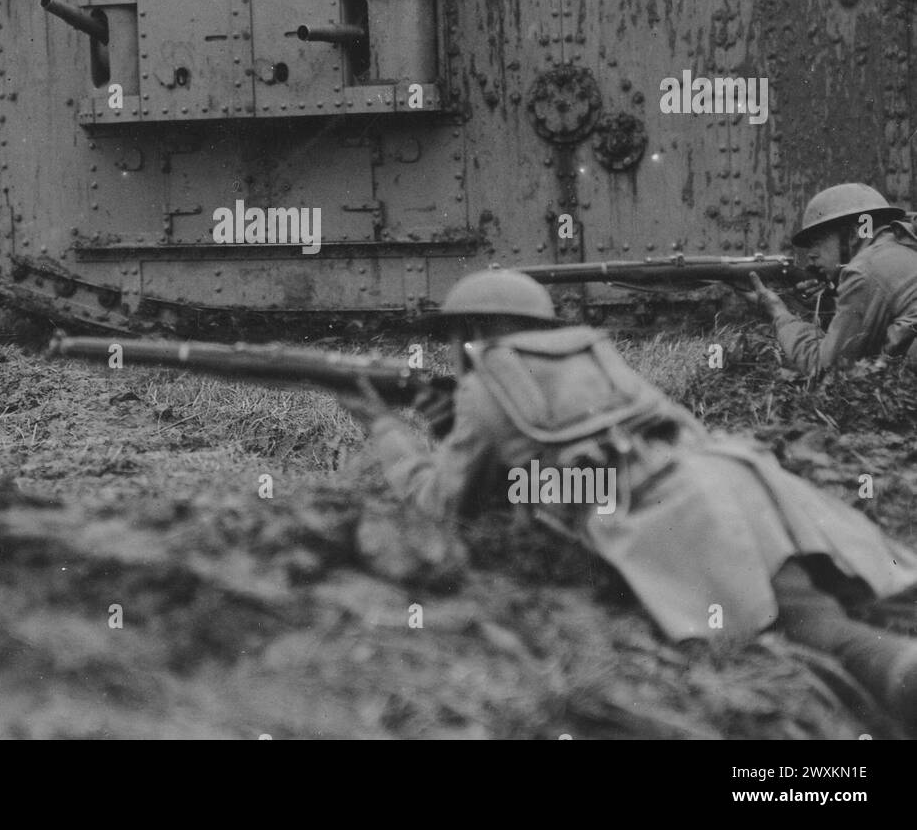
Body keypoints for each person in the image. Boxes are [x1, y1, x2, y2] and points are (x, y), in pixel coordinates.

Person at [340, 269, 917, 726]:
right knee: (816, 607)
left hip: (668, 511)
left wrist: (384, 428)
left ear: (470, 334)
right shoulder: (593, 355)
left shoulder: (487, 384)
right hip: (728, 479)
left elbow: (438, 504)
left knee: (801, 633)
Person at [745, 183, 917, 375]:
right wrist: (830, 301)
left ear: (852, 234)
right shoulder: (902, 248)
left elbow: (826, 368)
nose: (811, 255)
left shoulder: (863, 271)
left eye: (817, 242)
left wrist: (779, 314)